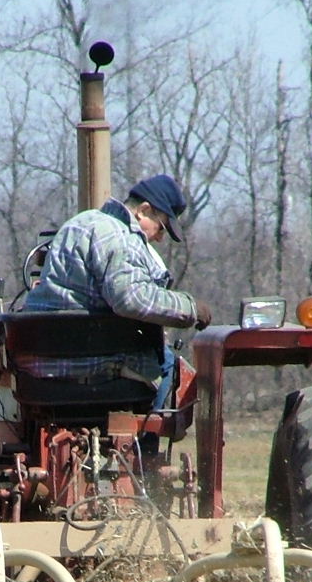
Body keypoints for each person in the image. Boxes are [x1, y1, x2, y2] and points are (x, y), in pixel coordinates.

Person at [19, 173, 211, 410]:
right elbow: (130, 298)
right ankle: (144, 444)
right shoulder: (121, 237)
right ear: (143, 209)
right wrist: (191, 308)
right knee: (170, 365)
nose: (160, 238)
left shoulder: (78, 223)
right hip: (91, 363)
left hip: (40, 365)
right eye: (161, 227)